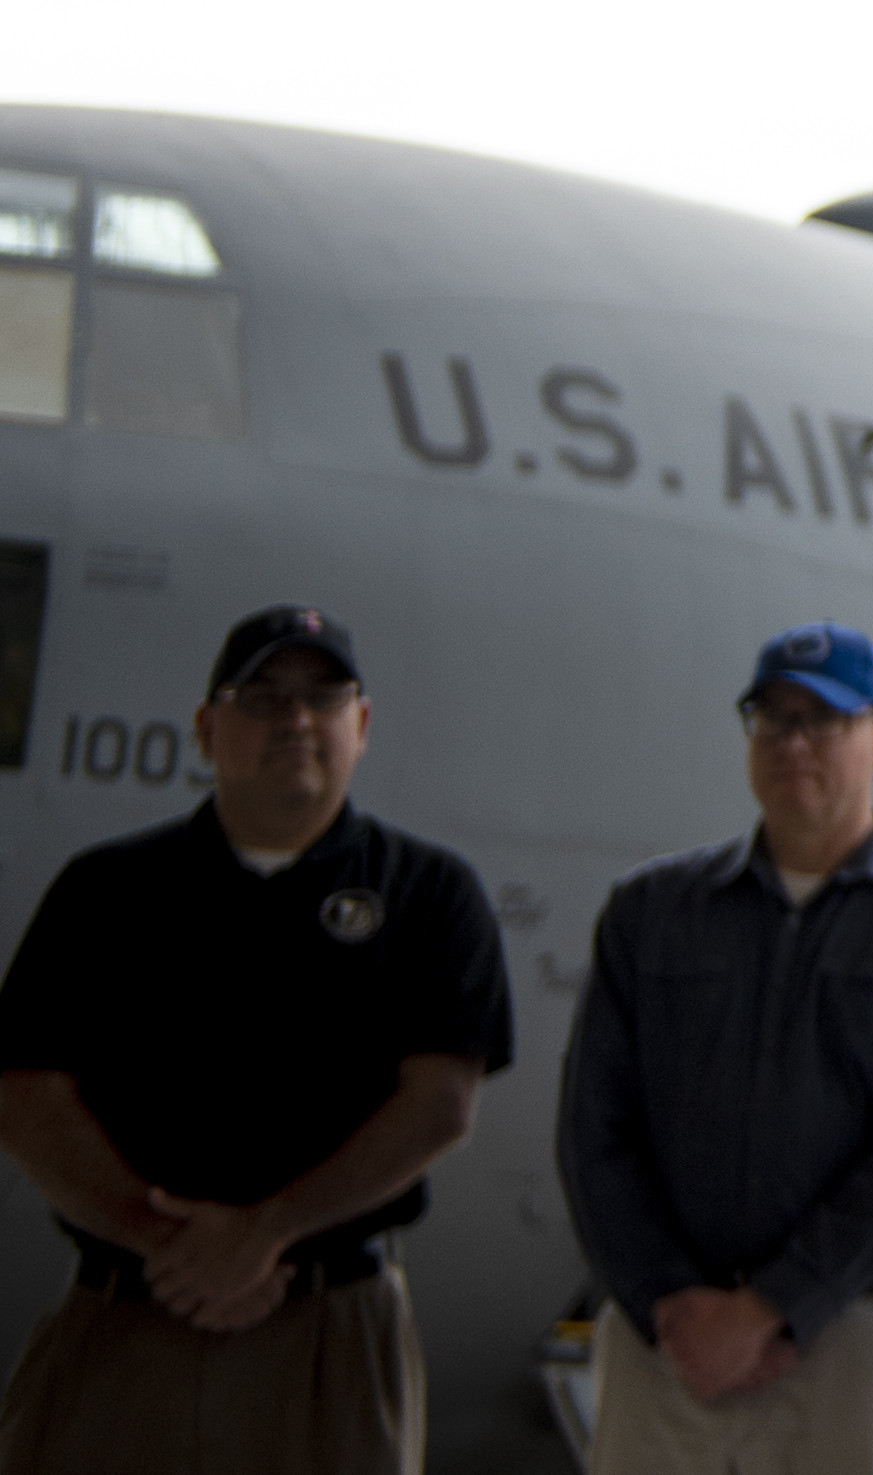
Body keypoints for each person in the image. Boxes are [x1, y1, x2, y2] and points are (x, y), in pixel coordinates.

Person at [0, 606, 514, 1475]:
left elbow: (440, 1104)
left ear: (362, 723)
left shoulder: (429, 893)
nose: (296, 720)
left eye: (324, 697)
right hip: (127, 1314)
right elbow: (26, 1095)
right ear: (207, 727)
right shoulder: (107, 889)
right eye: (263, 696)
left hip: (329, 1333)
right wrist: (164, 1244)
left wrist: (268, 1231)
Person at [559, 621, 873, 1474]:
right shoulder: (651, 911)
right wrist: (666, 1299)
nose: (793, 742)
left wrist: (775, 1304)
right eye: (772, 718)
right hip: (669, 1342)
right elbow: (596, 1126)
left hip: (847, 1339)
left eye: (825, 719)